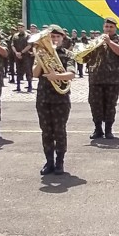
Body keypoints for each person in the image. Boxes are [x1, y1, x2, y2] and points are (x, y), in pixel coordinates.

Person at [33, 25, 76, 175]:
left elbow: (71, 74)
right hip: (43, 98)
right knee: (46, 131)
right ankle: (49, 161)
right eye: (51, 37)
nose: (54, 39)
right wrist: (40, 59)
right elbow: (35, 74)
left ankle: (60, 162)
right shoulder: (41, 53)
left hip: (60, 99)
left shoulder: (68, 54)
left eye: (57, 36)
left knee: (59, 131)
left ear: (63, 38)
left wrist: (56, 76)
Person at [85, 17, 119, 139]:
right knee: (95, 103)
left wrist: (109, 42)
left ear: (115, 28)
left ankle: (108, 130)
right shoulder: (96, 40)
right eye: (106, 26)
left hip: (113, 78)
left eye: (111, 27)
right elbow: (86, 56)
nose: (108, 29)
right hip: (96, 78)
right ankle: (98, 129)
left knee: (110, 104)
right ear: (103, 27)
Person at [10, 22, 33, 92]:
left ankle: (29, 86)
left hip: (26, 56)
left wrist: (21, 52)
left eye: (21, 27)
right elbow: (12, 45)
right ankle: (18, 86)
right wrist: (16, 53)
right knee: (18, 70)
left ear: (24, 28)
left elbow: (29, 45)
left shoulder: (28, 36)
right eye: (19, 27)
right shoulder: (15, 36)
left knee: (28, 71)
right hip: (17, 56)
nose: (20, 28)